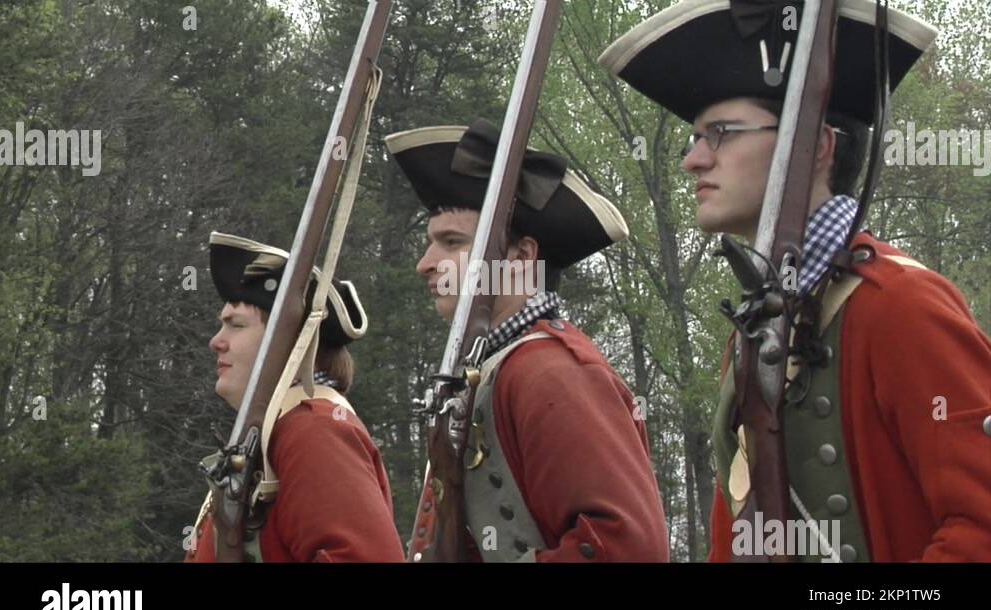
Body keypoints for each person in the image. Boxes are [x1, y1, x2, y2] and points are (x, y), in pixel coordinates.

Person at [600, 0, 991, 561]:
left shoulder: (903, 306)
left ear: (817, 148)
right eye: (696, 138)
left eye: (719, 134)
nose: (692, 160)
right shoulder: (761, 328)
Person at [386, 119, 669, 562]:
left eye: (451, 242)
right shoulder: (493, 371)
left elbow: (626, 548)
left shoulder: (551, 372)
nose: (426, 263)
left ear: (520, 257)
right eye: (431, 243)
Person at [185, 232, 405, 562]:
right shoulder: (281, 433)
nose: (216, 341)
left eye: (236, 325)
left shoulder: (315, 430)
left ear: (287, 342)